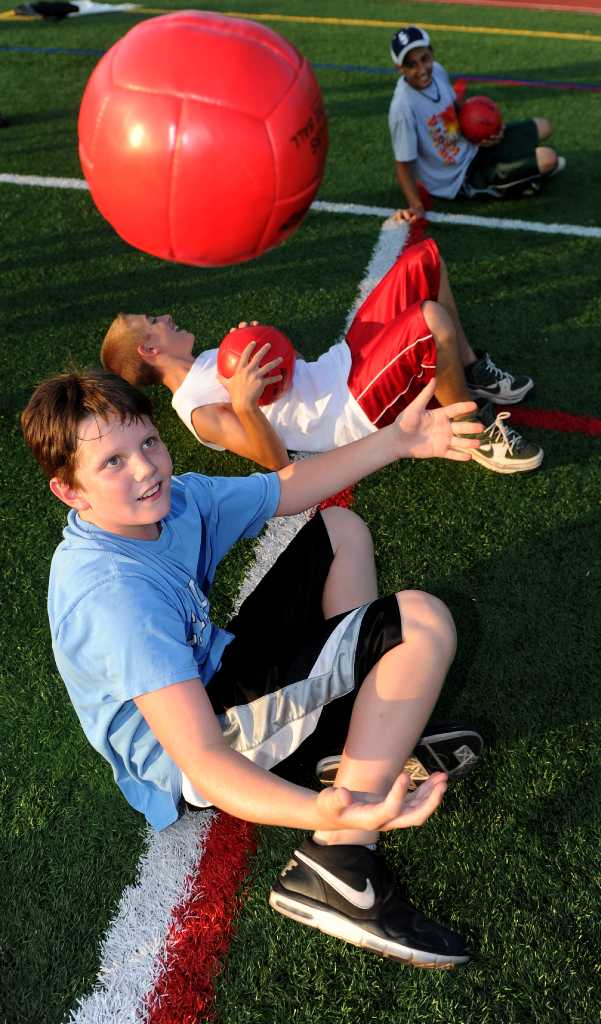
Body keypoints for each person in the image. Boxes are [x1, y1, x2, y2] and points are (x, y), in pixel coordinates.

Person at [22, 367, 484, 968]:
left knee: (340, 530)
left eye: (148, 443)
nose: (145, 468)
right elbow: (204, 762)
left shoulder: (174, 500)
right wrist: (320, 808)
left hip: (214, 674)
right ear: (71, 493)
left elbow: (286, 488)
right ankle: (340, 860)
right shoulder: (114, 598)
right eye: (112, 462)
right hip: (191, 749)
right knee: (420, 622)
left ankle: (347, 742)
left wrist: (395, 441)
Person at [101, 238, 542, 474]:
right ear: (150, 349)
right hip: (349, 409)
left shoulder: (208, 360)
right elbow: (275, 462)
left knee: (423, 258)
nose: (165, 316)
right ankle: (470, 425)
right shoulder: (196, 410)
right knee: (430, 320)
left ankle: (466, 369)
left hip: (341, 364)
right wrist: (244, 402)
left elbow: (292, 375)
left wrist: (265, 342)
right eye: (152, 320)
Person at [388, 25, 565, 215]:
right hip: (459, 177)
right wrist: (416, 205)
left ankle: (525, 171)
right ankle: (524, 181)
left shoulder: (437, 71)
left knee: (544, 125)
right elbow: (403, 165)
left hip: (472, 147)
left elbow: (456, 108)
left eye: (424, 59)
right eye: (411, 64)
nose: (421, 69)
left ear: (432, 53)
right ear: (400, 68)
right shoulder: (403, 108)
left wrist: (486, 133)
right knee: (549, 159)